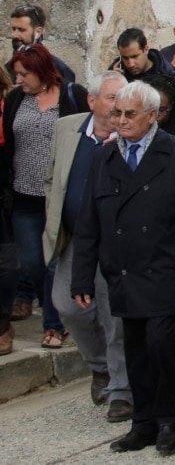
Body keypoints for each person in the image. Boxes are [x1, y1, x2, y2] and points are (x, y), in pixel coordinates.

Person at [70, 80, 175, 455]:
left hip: (166, 268)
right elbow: (89, 222)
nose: (120, 120)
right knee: (134, 348)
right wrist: (82, 277)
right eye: (116, 113)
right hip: (124, 272)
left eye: (130, 114)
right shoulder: (105, 157)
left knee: (159, 343)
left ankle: (169, 419)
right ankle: (143, 421)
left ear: (152, 116)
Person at [44, 71, 133, 421]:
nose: (120, 107)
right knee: (67, 307)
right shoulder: (66, 129)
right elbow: (52, 177)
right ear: (92, 101)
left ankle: (122, 391)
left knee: (116, 319)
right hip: (73, 240)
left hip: (114, 244)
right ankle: (100, 367)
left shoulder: (130, 135)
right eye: (113, 98)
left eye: (125, 99)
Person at [3, 44, 89, 348]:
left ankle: (53, 324)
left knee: (54, 261)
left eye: (24, 74)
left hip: (59, 195)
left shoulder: (71, 95)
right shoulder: (16, 99)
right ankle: (52, 309)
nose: (18, 81)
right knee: (30, 261)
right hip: (24, 196)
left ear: (41, 72)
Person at [8, 4, 76, 83]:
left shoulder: (57, 69)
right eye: (13, 29)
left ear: (38, 32)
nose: (14, 35)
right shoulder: (7, 70)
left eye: (21, 30)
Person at [111, 28, 175, 82]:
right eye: (125, 58)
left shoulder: (168, 76)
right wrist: (113, 82)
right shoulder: (117, 71)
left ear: (146, 49)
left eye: (135, 56)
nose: (130, 64)